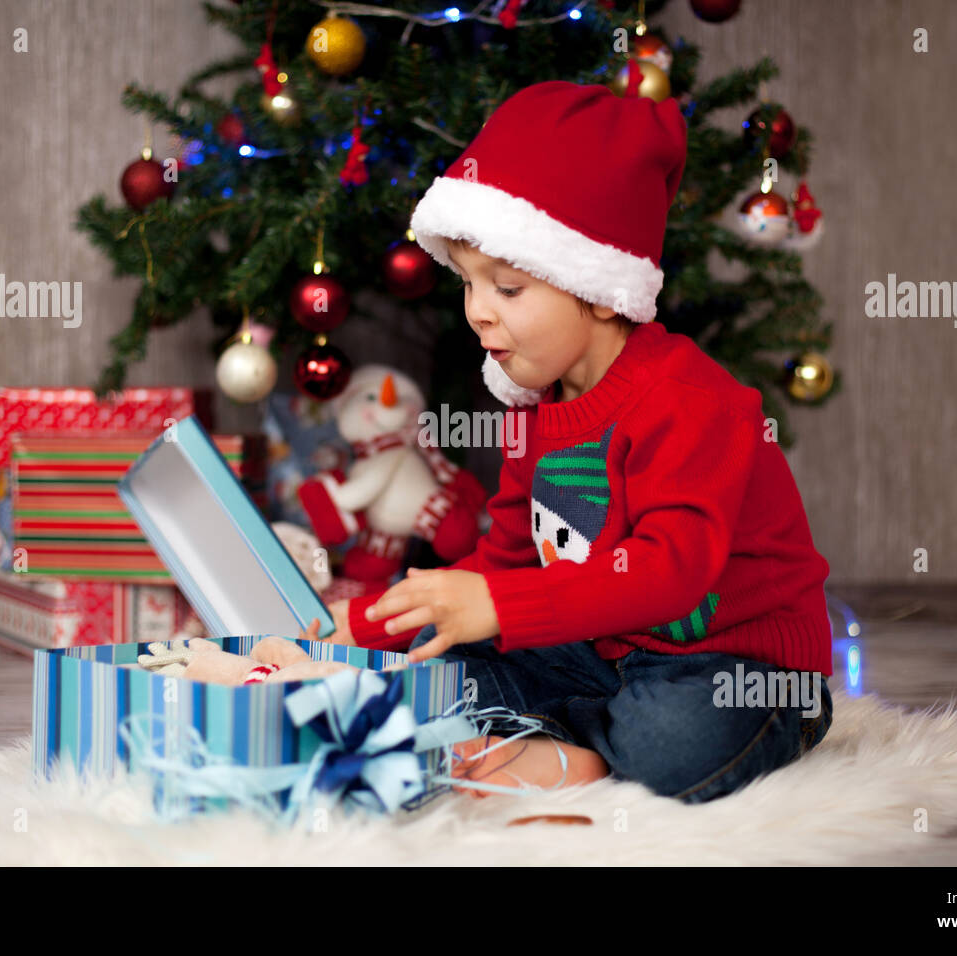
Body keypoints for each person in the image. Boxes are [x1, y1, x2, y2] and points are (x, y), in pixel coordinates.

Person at [312, 80, 834, 803]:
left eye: (509, 289)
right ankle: (569, 730)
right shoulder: (533, 401)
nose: (479, 315)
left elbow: (672, 570)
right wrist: (368, 620)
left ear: (595, 287)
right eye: (469, 285)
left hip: (732, 664)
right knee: (443, 664)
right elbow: (505, 558)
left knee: (673, 736)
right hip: (602, 655)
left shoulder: (688, 399)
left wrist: (503, 607)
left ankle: (576, 746)